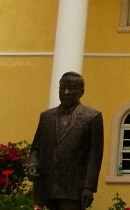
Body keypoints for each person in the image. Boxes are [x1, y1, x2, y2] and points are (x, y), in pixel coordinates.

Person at [27, 72, 104, 210]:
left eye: (72, 88)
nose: (66, 92)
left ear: (82, 92)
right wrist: (32, 164)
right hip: (46, 187)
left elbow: (95, 157)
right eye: (62, 88)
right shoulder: (46, 117)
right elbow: (36, 148)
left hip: (74, 189)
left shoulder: (92, 117)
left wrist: (89, 187)